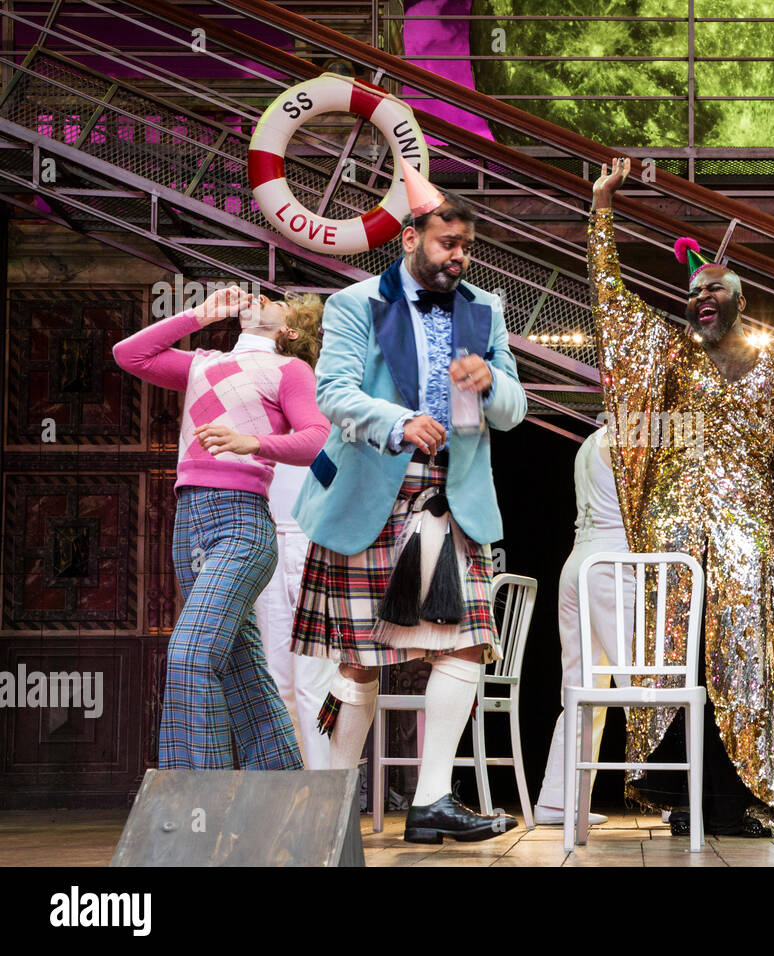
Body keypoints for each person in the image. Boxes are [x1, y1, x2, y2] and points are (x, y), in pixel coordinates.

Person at [587, 158, 774, 836]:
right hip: (678, 535)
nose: (700, 299)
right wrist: (601, 211)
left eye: (715, 289)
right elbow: (613, 305)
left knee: (745, 665)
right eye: (692, 292)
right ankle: (685, 796)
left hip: (751, 540)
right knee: (681, 660)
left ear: (742, 301)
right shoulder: (671, 358)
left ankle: (739, 794)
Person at [289, 159, 526, 844]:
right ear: (410, 240)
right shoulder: (354, 304)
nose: (459, 257)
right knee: (361, 655)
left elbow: (515, 409)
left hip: (454, 498)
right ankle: (335, 804)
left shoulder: (487, 309)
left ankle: (431, 802)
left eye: (467, 246)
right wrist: (396, 422)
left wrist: (488, 383)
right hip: (372, 497)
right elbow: (334, 393)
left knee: (470, 645)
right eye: (447, 243)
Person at [113, 287, 330, 769]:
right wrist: (198, 315)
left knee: (191, 655)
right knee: (242, 666)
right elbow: (128, 354)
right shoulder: (201, 362)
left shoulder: (290, 370)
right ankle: (279, 787)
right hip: (189, 522)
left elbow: (317, 439)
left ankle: (197, 800)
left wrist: (251, 441)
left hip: (242, 522)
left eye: (277, 301)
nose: (262, 298)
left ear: (288, 329)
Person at [532, 424, 636, 826]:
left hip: (578, 561)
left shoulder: (593, 439)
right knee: (638, 681)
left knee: (580, 689)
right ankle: (669, 792)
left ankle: (559, 801)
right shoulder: (631, 433)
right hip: (613, 560)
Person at [254, 461, 338, 769]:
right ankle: (291, 792)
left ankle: (324, 795)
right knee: (278, 681)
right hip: (268, 535)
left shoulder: (334, 411)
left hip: (319, 537)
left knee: (314, 680)